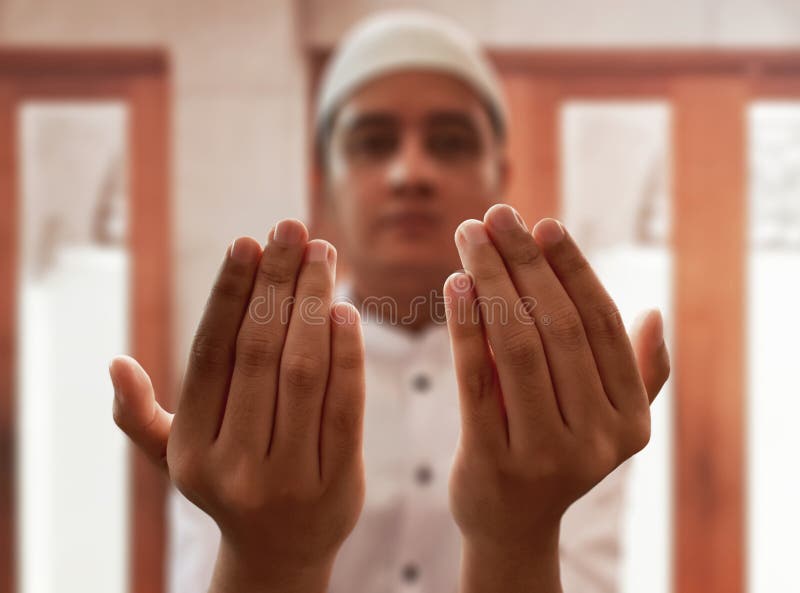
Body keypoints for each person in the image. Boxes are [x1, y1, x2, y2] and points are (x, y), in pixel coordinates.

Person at [108, 10, 670, 593]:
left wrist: (520, 536)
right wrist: (266, 554)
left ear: (499, 175)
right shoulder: (250, 381)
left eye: (449, 143)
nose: (410, 173)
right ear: (323, 183)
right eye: (373, 144)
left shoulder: (566, 388)